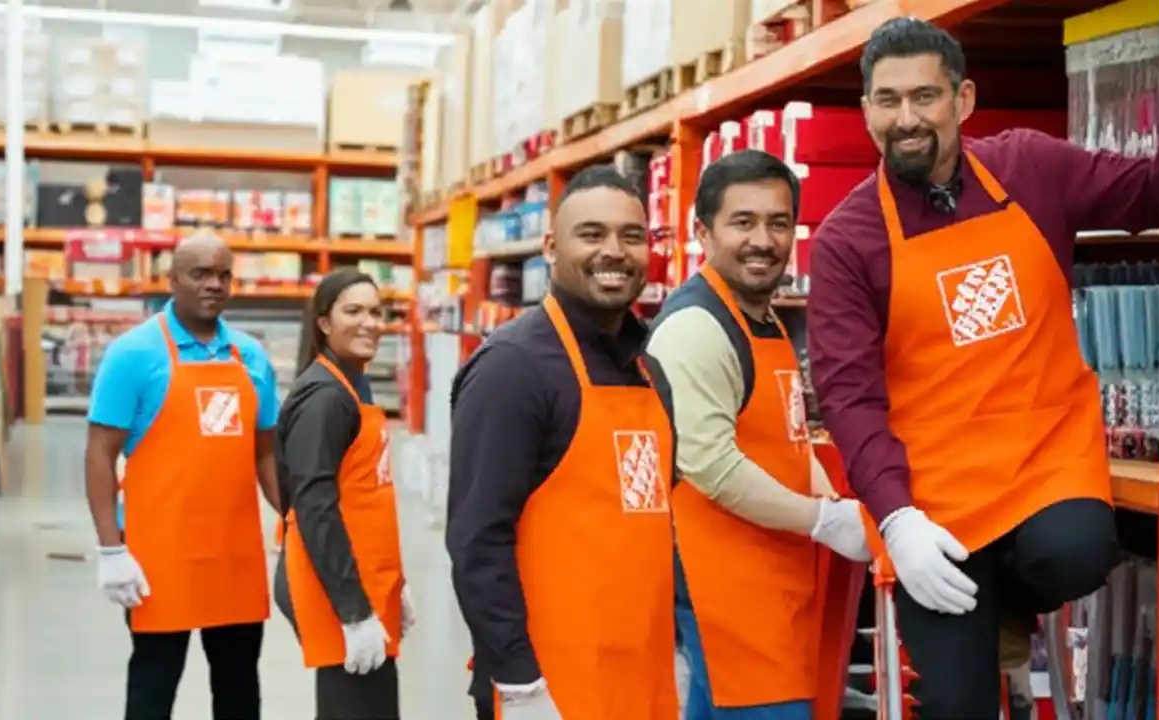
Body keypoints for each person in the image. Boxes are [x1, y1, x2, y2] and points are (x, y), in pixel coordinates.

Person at [807, 17, 1159, 719]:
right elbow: (848, 395)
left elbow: (1152, 195)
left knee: (1077, 554)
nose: (907, 118)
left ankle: (1008, 607)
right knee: (957, 705)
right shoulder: (847, 239)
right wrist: (897, 520)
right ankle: (988, 610)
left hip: (1044, 459)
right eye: (888, 100)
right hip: (935, 498)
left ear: (963, 100)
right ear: (866, 109)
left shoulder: (1029, 167)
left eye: (925, 97)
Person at [643, 149, 871, 720]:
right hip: (725, 589)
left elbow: (787, 439)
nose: (763, 240)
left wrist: (832, 501)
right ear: (703, 231)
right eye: (742, 222)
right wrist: (823, 520)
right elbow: (712, 465)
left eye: (778, 222)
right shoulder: (697, 327)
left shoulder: (762, 320)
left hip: (770, 576)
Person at [447, 165, 679, 720]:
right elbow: (478, 543)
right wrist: (521, 684)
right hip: (552, 687)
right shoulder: (514, 368)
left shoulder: (648, 367)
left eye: (631, 235)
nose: (614, 252)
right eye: (591, 234)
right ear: (551, 247)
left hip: (640, 679)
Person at [85, 231, 282, 720]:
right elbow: (99, 454)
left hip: (234, 554)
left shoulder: (250, 357)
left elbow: (266, 456)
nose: (213, 284)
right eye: (200, 274)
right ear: (171, 280)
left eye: (223, 274)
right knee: (154, 686)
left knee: (239, 689)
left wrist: (298, 521)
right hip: (159, 556)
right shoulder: (133, 354)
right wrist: (111, 549)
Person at [273, 267, 415, 720]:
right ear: (323, 322)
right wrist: (353, 612)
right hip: (334, 584)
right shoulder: (325, 399)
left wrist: (397, 587)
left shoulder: (353, 382)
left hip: (362, 577)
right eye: (353, 311)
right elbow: (314, 509)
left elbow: (363, 494)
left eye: (377, 312)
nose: (369, 322)